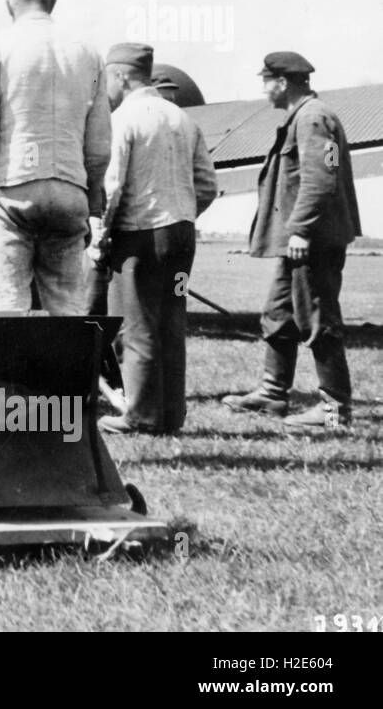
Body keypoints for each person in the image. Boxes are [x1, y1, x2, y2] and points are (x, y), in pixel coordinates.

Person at [0, 0, 111, 315]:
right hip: (70, 193)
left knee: (7, 309)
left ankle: (12, 371)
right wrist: (92, 205)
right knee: (68, 309)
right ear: (51, 2)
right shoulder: (88, 52)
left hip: (11, 193)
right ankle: (71, 371)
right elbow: (99, 146)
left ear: (10, 2)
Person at [223, 52, 361, 433]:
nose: (264, 89)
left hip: (311, 240)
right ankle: (272, 393)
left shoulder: (314, 118)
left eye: (266, 81)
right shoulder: (306, 116)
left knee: (318, 320)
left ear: (282, 82)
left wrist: (300, 229)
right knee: (279, 314)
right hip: (301, 241)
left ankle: (334, 413)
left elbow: (322, 178)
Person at [89, 43, 216, 435]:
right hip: (181, 237)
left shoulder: (123, 119)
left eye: (107, 78)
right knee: (171, 324)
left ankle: (141, 416)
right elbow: (207, 185)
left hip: (139, 238)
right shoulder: (182, 119)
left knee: (137, 325)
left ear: (122, 76)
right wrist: (182, 212)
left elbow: (111, 189)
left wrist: (99, 238)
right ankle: (171, 415)